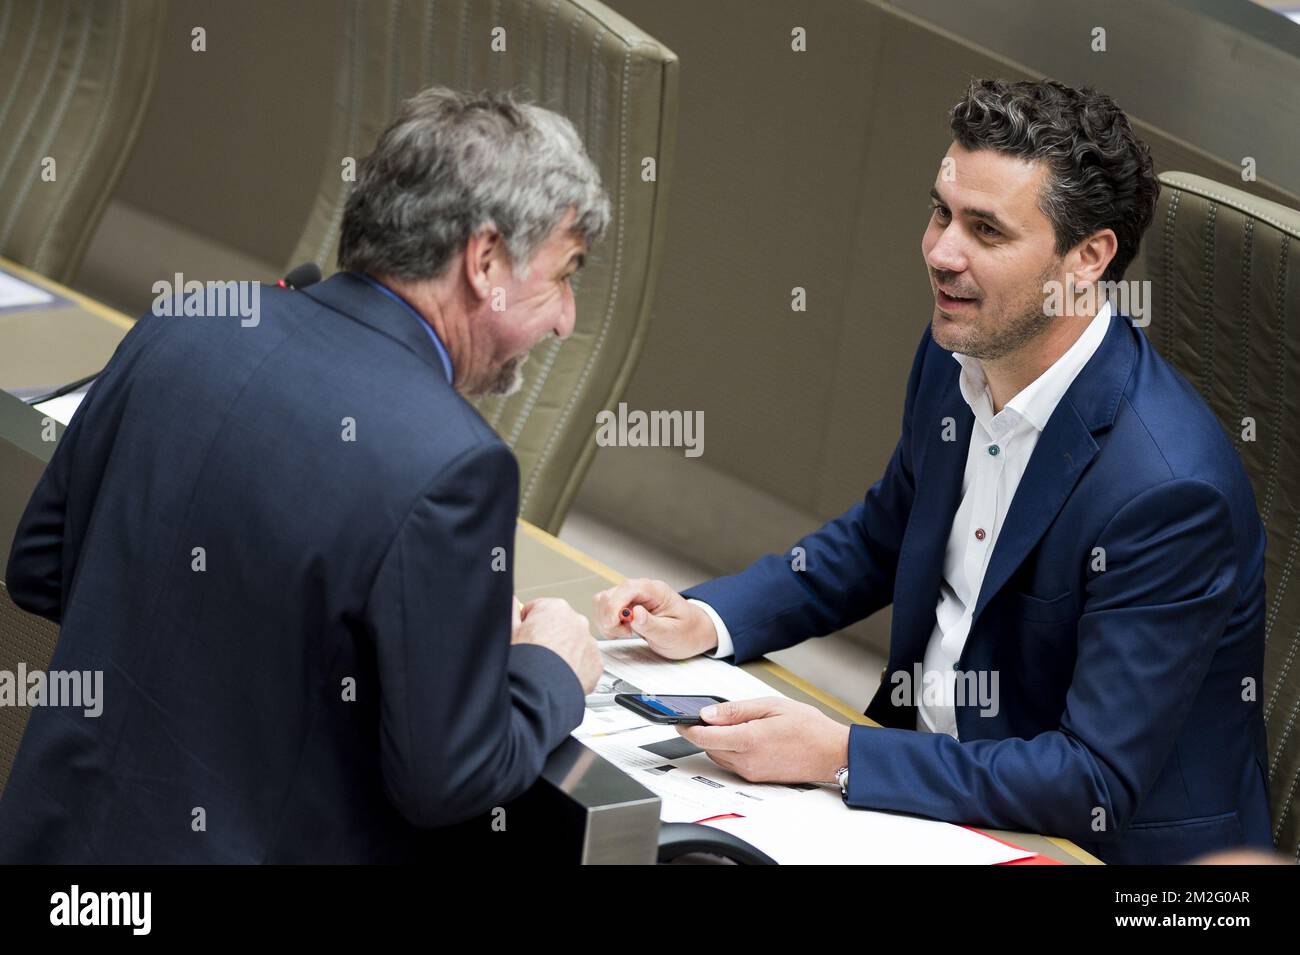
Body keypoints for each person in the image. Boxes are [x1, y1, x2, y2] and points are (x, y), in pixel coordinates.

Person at [594, 78, 1272, 865]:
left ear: (1087, 258)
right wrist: (710, 618)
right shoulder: (959, 349)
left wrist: (839, 754)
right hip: (926, 794)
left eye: (986, 230)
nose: (942, 252)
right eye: (941, 212)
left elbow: (1091, 778)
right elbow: (885, 534)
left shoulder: (1169, 491)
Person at [1, 88, 607, 862]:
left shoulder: (191, 320)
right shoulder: (456, 463)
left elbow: (39, 571)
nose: (566, 319)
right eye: (564, 275)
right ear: (483, 260)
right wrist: (551, 666)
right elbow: (448, 776)